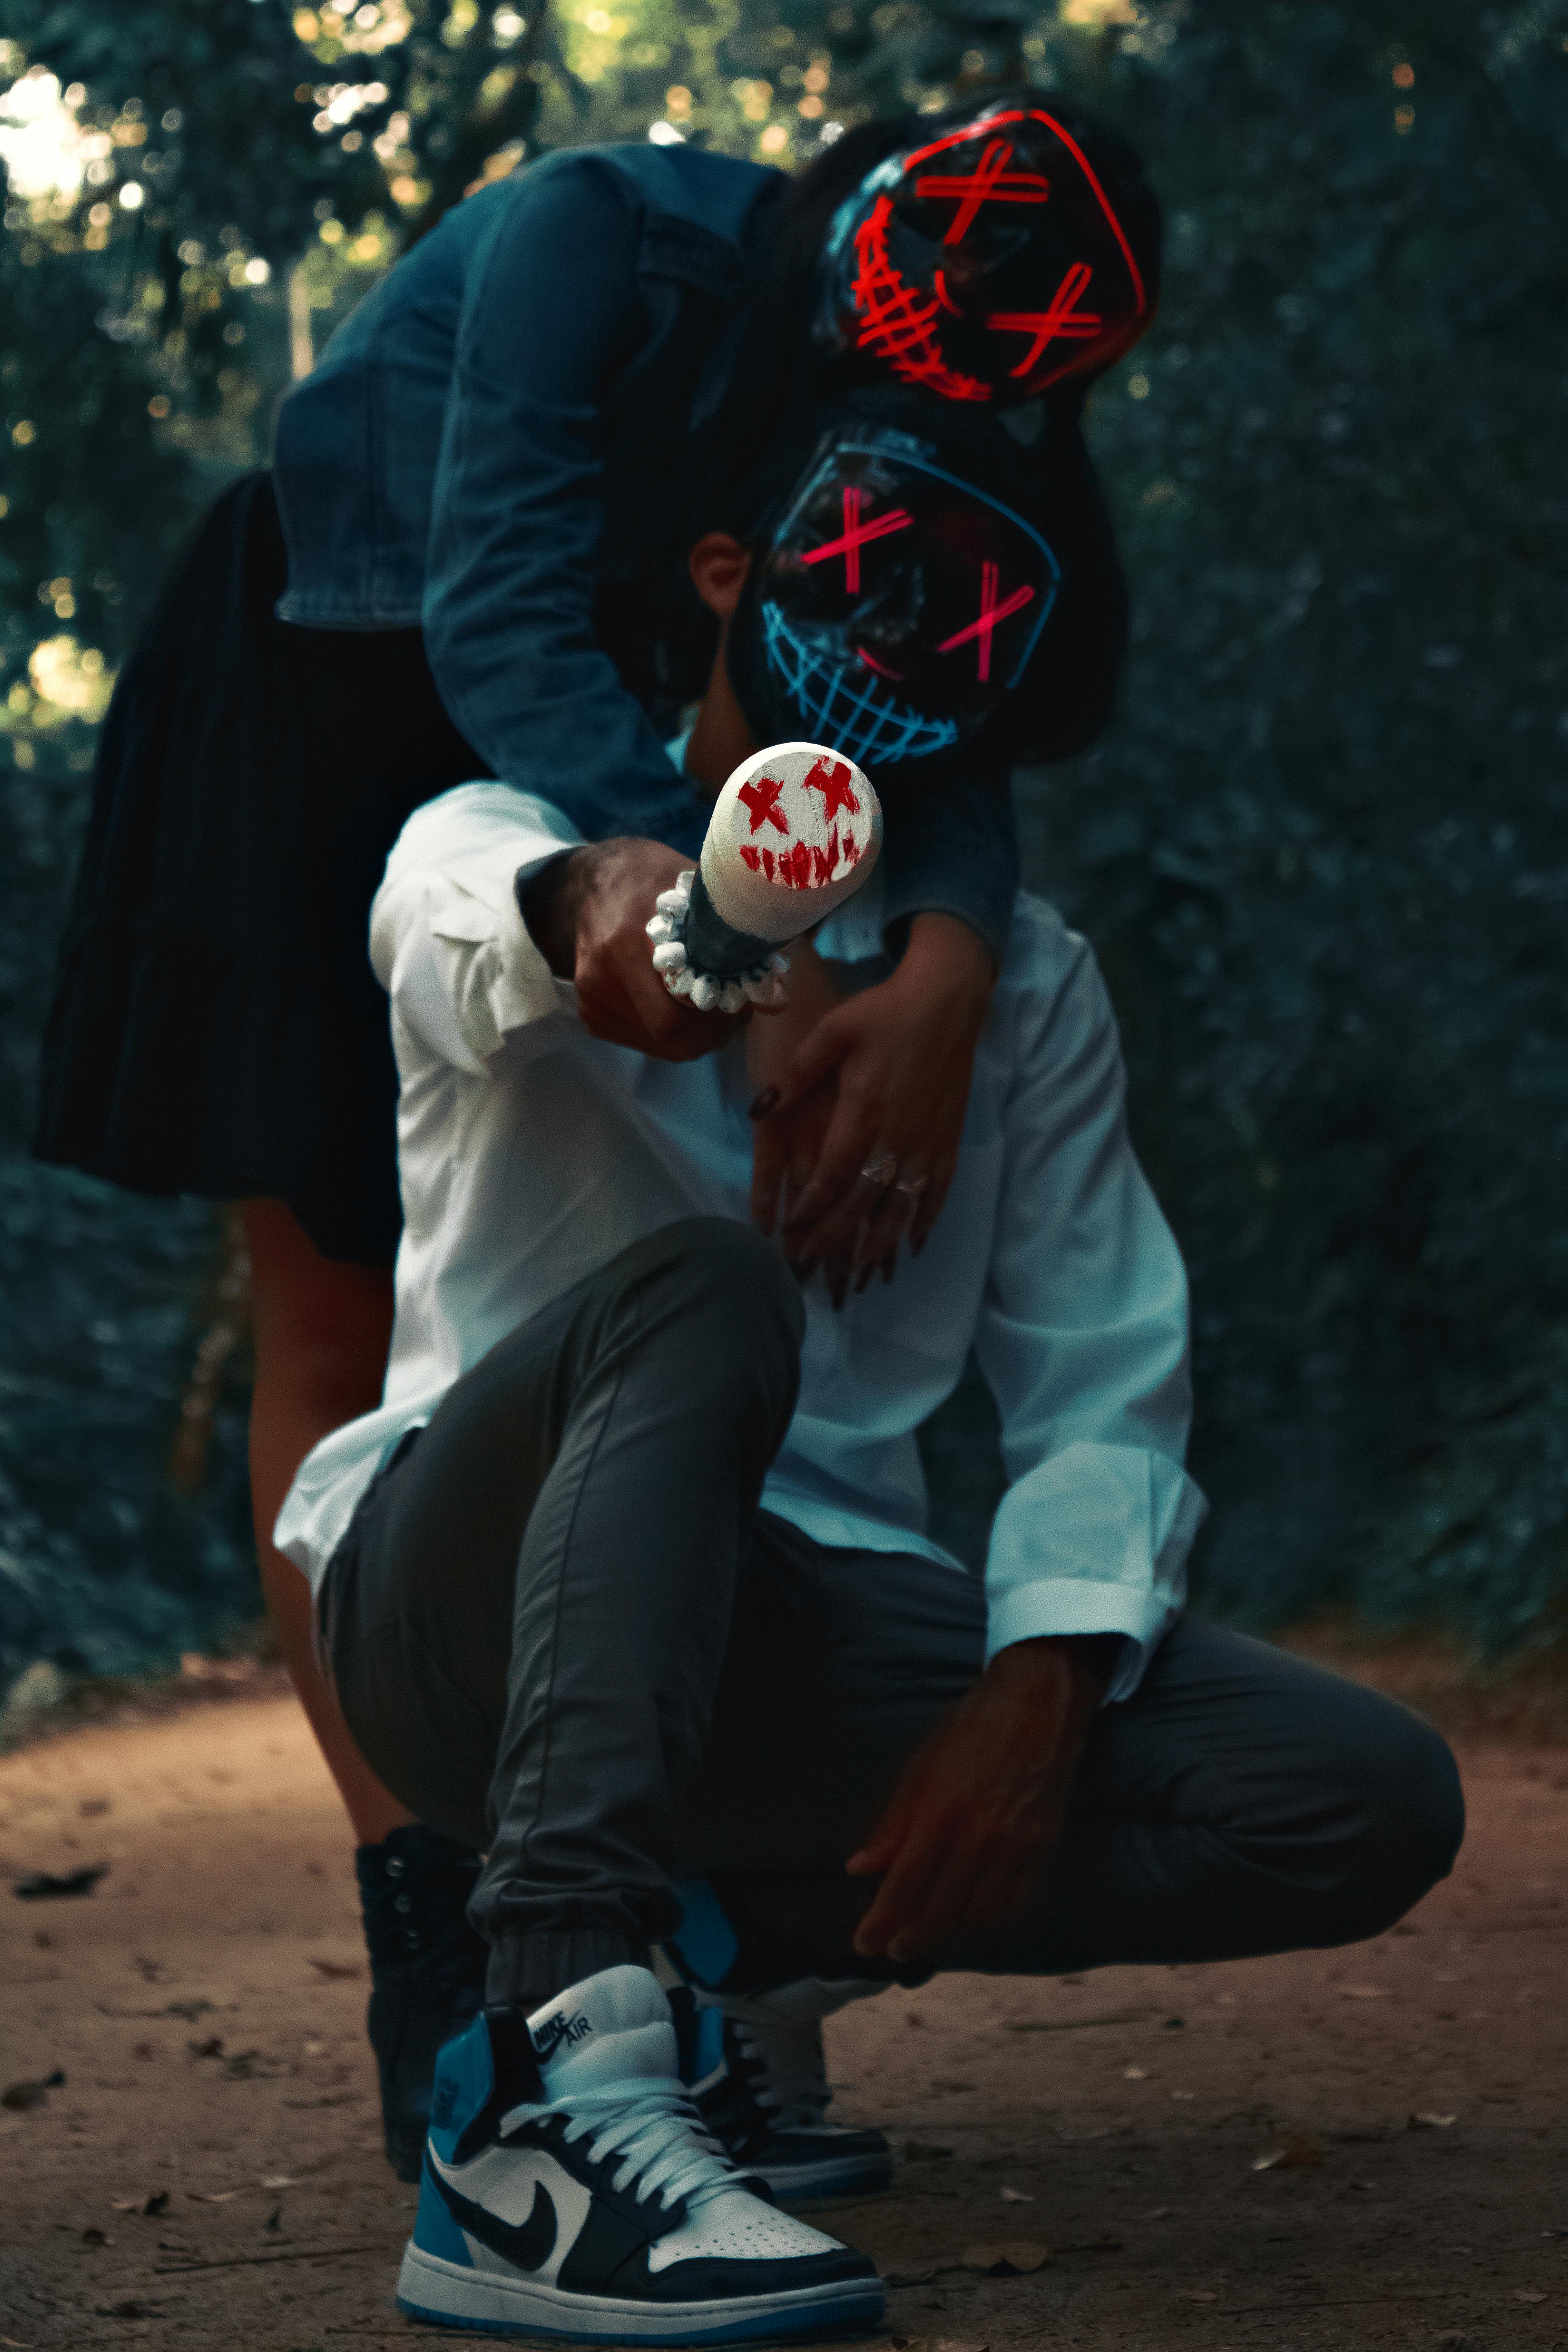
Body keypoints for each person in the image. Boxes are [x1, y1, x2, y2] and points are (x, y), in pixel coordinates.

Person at [34, 93, 1167, 2160]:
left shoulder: (962, 402)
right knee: (337, 1305)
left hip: (656, 735)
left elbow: (943, 675)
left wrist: (951, 952)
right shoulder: (596, 236)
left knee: (591, 1285)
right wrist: (748, 921)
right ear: (848, 240)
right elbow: (492, 617)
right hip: (346, 673)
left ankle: (667, 1918)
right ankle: (425, 1910)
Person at [271, 414, 1466, 2345]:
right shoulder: (487, 831)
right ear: (727, 577)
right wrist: (606, 922)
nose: (896, 660)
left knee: (1355, 1795)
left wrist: (1045, 1674)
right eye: (861, 591)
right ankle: (547, 2092)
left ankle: (720, 1975)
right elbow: (474, 929)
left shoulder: (1024, 991)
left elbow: (1101, 1378)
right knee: (709, 1295)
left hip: (790, 1634)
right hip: (461, 1630)